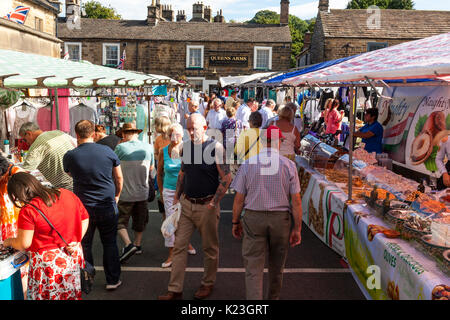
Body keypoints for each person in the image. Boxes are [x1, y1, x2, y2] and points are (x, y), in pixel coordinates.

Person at [158, 113, 232, 300]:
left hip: (207, 206)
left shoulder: (215, 147)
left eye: (194, 128)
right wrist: (176, 196)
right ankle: (175, 289)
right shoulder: (187, 147)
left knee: (209, 248)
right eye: (188, 128)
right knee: (179, 246)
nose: (190, 132)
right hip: (186, 204)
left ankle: (208, 284)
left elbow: (226, 177)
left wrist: (214, 202)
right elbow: (183, 173)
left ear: (205, 128)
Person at [231, 125, 302, 300]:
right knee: (277, 267)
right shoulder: (289, 165)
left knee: (253, 268)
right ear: (279, 142)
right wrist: (297, 228)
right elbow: (296, 202)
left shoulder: (248, 164)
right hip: (280, 220)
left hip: (254, 217)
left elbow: (239, 199)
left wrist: (235, 221)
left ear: (263, 142)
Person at [3, 172, 89, 300]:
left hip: (47, 264)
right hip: (72, 255)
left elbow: (23, 243)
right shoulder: (66, 193)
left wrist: (8, 241)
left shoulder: (29, 210)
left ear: (17, 194)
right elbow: (85, 218)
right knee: (71, 294)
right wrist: (76, 240)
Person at [63, 120, 123, 290]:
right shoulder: (107, 151)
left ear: (76, 135)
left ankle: (86, 279)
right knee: (110, 242)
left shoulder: (70, 155)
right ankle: (112, 280)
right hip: (106, 203)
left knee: (85, 244)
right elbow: (119, 177)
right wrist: (117, 195)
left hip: (83, 208)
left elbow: (68, 173)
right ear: (94, 134)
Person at [157, 123, 196, 268]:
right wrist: (161, 191)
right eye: (172, 134)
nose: (175, 137)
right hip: (169, 190)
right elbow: (159, 173)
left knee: (186, 219)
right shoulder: (163, 151)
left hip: (185, 190)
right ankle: (171, 253)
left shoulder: (188, 149)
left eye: (178, 134)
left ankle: (187, 243)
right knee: (170, 221)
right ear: (168, 135)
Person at [115, 123, 154, 262]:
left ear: (125, 134)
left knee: (119, 222)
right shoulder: (149, 147)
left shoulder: (120, 147)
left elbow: (114, 167)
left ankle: (128, 244)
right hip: (143, 192)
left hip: (125, 192)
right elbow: (151, 168)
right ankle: (137, 245)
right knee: (140, 220)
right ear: (137, 133)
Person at [19, 122, 75, 190]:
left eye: (24, 140)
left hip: (66, 187)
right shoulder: (58, 133)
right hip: (80, 179)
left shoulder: (36, 147)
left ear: (29, 133)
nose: (26, 143)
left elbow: (24, 173)